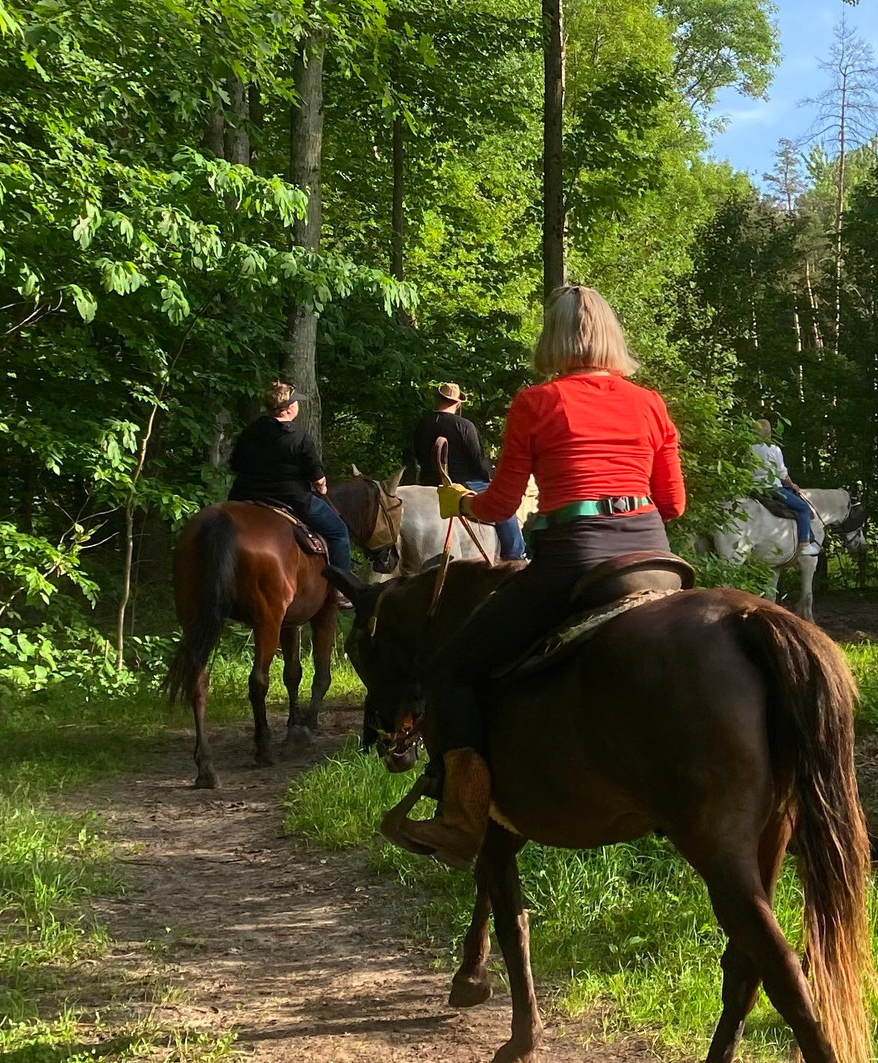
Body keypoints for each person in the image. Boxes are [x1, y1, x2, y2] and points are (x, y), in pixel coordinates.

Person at [392, 284, 688, 868]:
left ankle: (461, 820)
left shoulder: (536, 402)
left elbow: (501, 504)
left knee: (449, 670)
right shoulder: (650, 403)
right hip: (656, 560)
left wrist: (460, 503)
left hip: (574, 562)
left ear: (552, 337)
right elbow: (673, 504)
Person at [226, 381, 367, 605]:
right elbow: (317, 478)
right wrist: (322, 487)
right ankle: (341, 590)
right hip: (291, 498)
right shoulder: (300, 437)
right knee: (338, 532)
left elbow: (235, 464)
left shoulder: (251, 431)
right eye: (296, 402)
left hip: (245, 494)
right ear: (289, 408)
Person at [411, 381, 527, 561]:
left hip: (429, 483)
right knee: (504, 509)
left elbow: (418, 455)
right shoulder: (464, 425)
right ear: (458, 404)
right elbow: (478, 460)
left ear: (436, 399)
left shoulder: (421, 424)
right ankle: (515, 556)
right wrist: (490, 478)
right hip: (464, 483)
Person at [751, 418, 819, 557]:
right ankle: (805, 544)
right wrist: (792, 485)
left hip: (752, 489)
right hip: (772, 488)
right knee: (803, 508)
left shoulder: (748, 448)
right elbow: (783, 475)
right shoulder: (773, 449)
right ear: (769, 433)